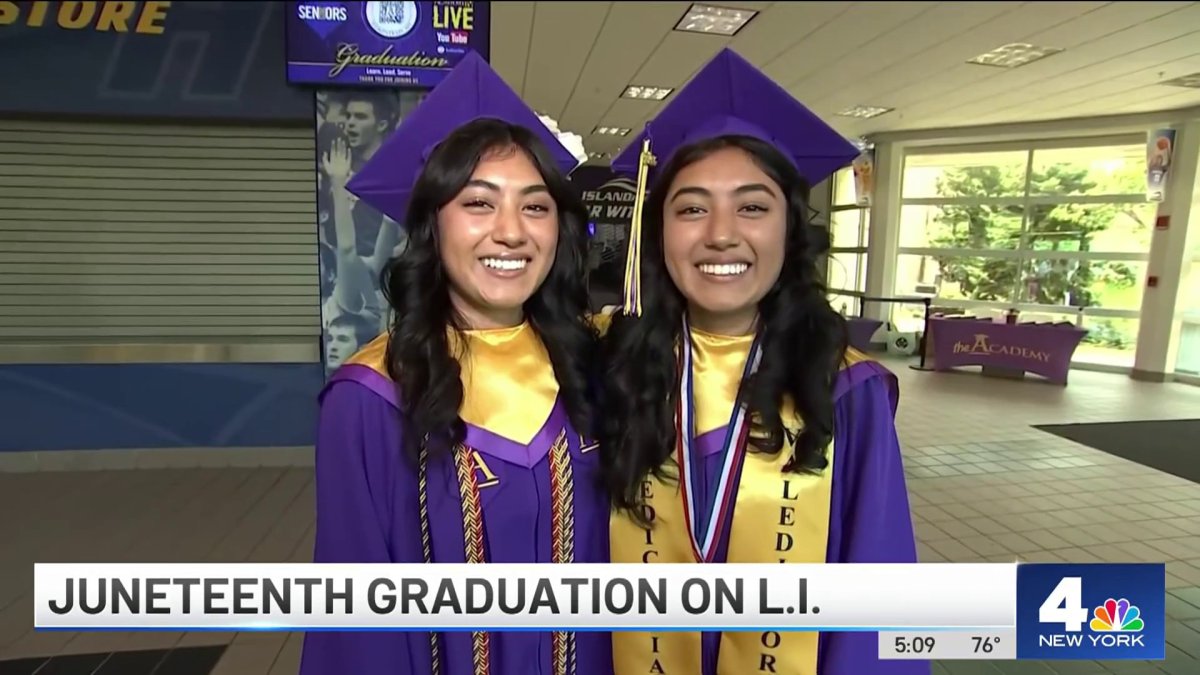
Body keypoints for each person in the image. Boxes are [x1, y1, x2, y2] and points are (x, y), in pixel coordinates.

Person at [598, 48, 926, 675]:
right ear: (657, 230)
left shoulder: (846, 388)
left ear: (789, 229)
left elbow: (878, 591)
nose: (721, 233)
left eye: (753, 206)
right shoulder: (611, 364)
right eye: (691, 208)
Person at [299, 52, 610, 675]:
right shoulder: (370, 396)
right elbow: (356, 614)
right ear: (431, 226)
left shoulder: (590, 369)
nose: (512, 231)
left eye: (536, 205)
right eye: (478, 203)